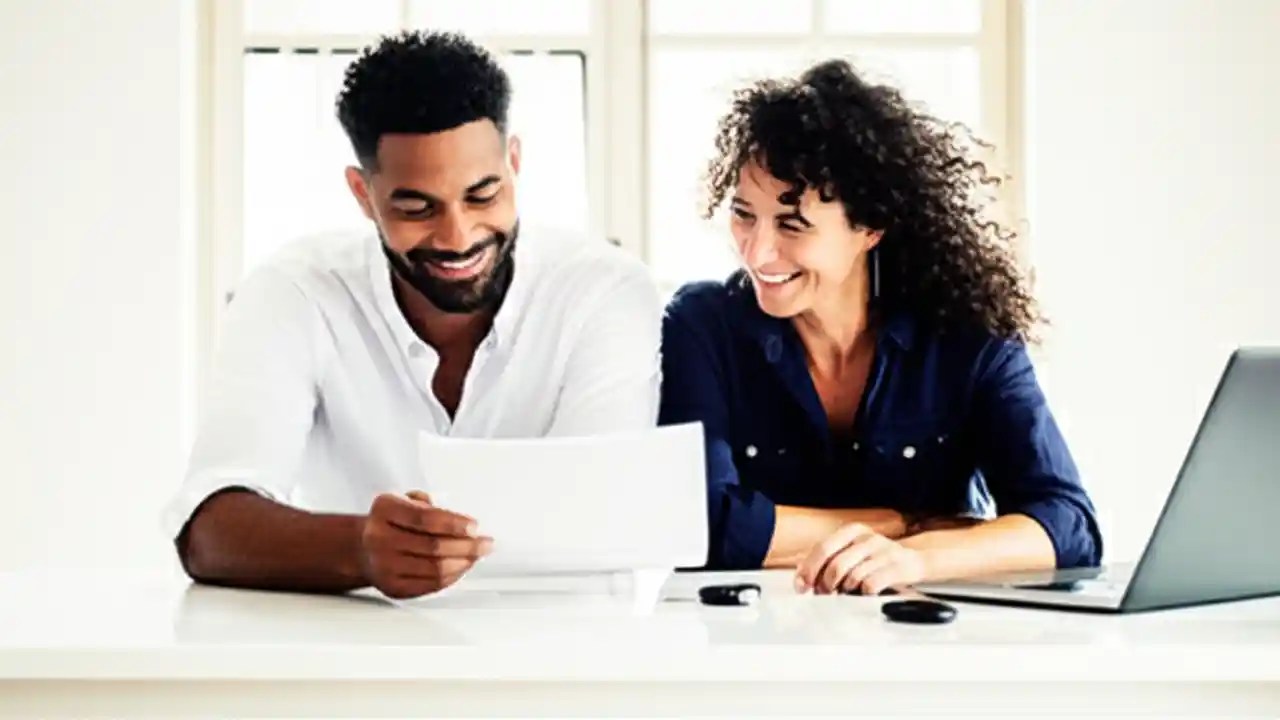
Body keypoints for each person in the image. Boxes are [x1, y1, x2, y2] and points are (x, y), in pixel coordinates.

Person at [165, 31, 662, 599]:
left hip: (563, 657)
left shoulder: (604, 291)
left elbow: (599, 514)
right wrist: (358, 550)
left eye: (483, 195)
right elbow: (208, 530)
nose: (458, 236)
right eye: (416, 207)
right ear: (362, 194)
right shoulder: (293, 292)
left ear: (515, 164)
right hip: (359, 665)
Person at [659, 58, 1102, 595]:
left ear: (869, 227)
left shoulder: (967, 338)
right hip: (753, 646)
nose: (757, 251)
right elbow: (698, 525)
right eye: (744, 214)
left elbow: (1066, 527)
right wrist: (906, 522)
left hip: (929, 644)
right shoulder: (703, 327)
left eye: (792, 224)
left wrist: (914, 560)